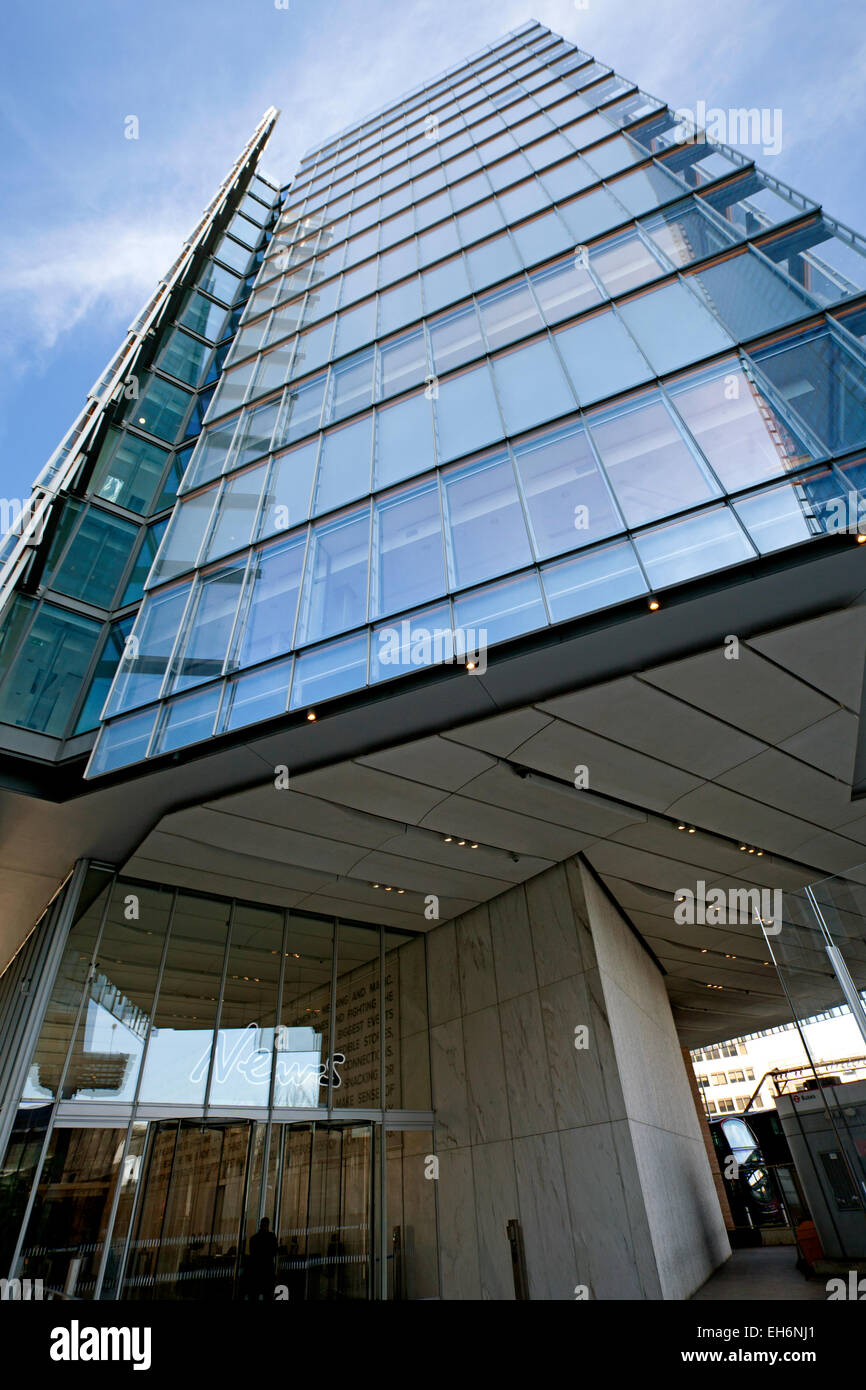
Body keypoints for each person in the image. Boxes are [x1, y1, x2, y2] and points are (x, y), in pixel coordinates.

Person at [246, 1217, 278, 1300]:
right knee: (267, 1295)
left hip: (256, 1271)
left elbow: (252, 1253)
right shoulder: (271, 1238)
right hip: (267, 1271)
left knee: (255, 1294)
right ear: (268, 1225)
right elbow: (274, 1252)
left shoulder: (254, 1238)